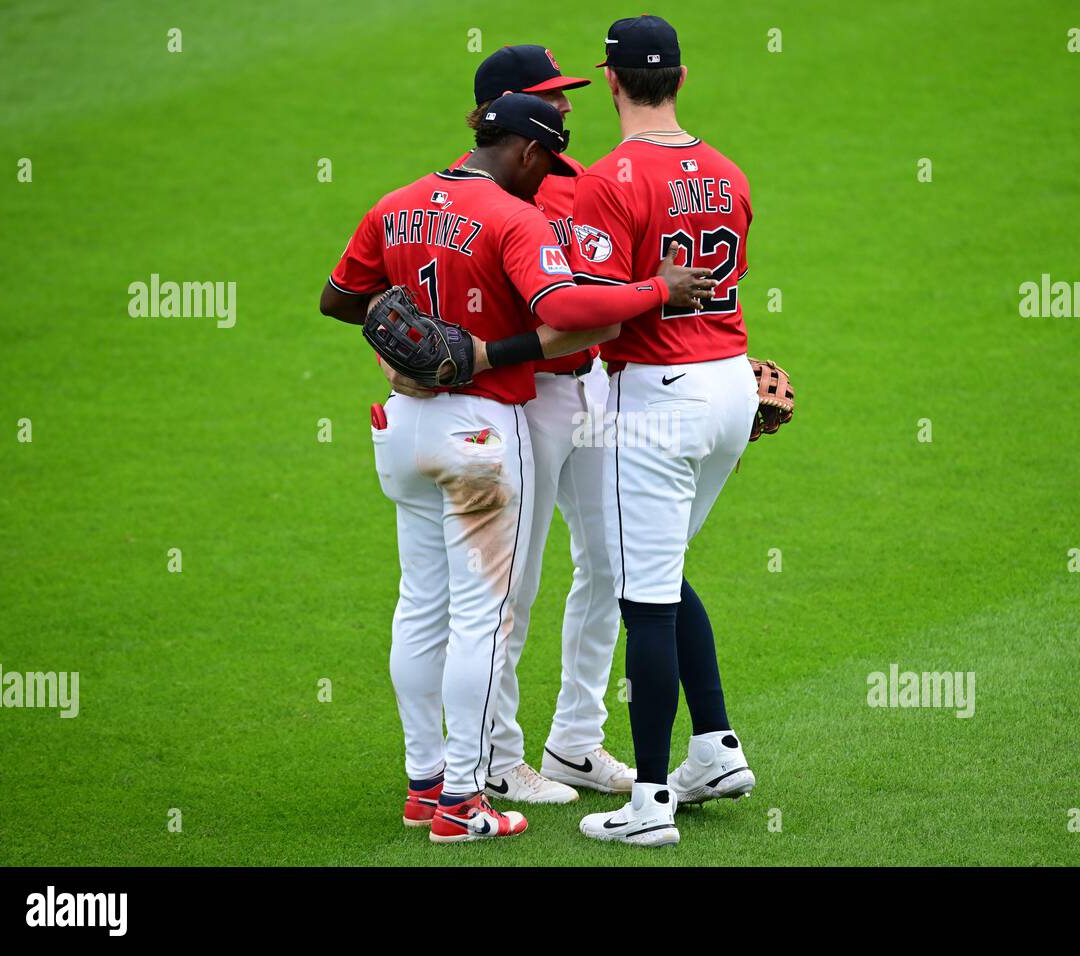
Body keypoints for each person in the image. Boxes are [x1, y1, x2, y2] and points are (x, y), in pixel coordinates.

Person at [319, 93, 714, 843]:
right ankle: (463, 802)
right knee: (482, 619)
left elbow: (339, 299)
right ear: (528, 153)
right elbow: (564, 313)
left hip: (401, 429)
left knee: (419, 606)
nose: (553, 176)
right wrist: (661, 290)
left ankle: (423, 783)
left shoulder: (396, 203)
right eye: (552, 159)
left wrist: (400, 335)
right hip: (476, 435)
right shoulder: (512, 216)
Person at [568, 16, 760, 847]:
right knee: (665, 569)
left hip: (655, 396)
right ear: (681, 77)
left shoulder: (606, 180)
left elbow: (590, 309)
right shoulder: (728, 171)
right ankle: (714, 749)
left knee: (643, 596)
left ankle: (648, 803)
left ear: (609, 81)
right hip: (731, 383)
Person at [453, 45, 634, 805]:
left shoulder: (580, 183)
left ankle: (575, 742)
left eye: (565, 95)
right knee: (510, 585)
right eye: (549, 98)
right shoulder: (492, 196)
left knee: (616, 562)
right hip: (521, 401)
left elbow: (616, 290)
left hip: (590, 390)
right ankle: (496, 755)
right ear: (505, 113)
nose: (566, 108)